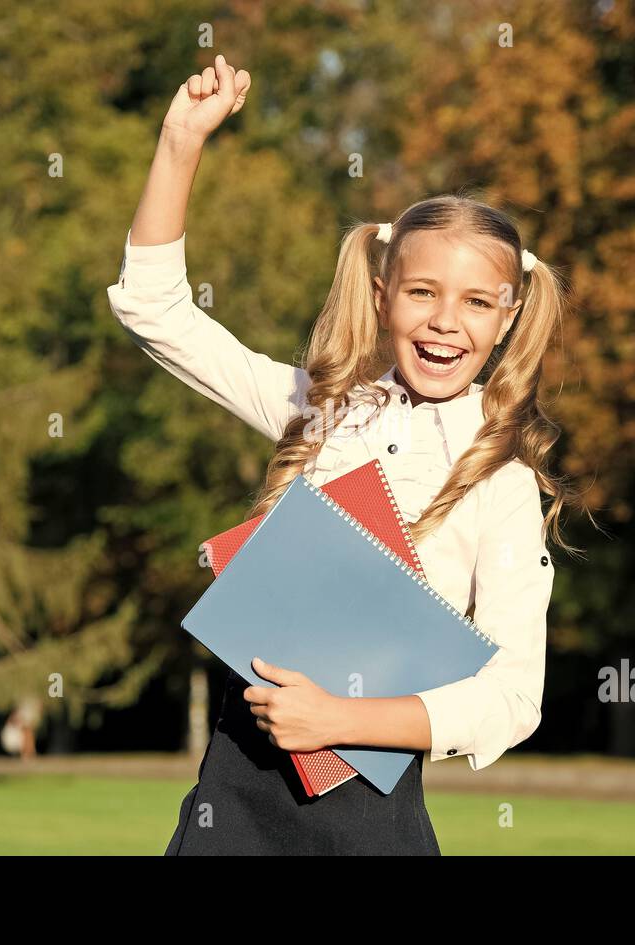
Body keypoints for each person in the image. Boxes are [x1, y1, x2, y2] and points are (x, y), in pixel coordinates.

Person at [106, 55, 578, 855]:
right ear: (384, 289)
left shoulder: (502, 482)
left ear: (508, 317)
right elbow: (157, 311)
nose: (444, 323)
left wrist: (339, 719)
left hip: (367, 823)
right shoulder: (323, 409)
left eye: (474, 303)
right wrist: (181, 141)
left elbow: (512, 697)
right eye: (423, 291)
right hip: (231, 801)